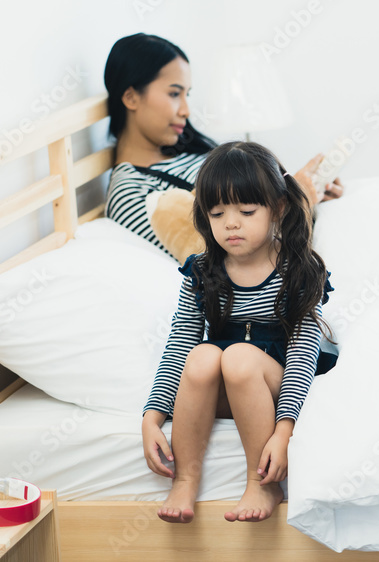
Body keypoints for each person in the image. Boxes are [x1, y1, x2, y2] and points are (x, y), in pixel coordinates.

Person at [142, 141, 336, 523]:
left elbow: (301, 354)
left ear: (277, 208)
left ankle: (262, 483)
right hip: (226, 385)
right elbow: (179, 345)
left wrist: (284, 431)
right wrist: (152, 416)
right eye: (217, 213)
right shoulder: (201, 271)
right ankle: (184, 479)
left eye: (246, 211)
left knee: (239, 357)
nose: (231, 223)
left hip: (272, 379)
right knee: (202, 355)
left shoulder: (297, 268)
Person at [103, 33, 343, 257]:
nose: (186, 111)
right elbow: (217, 258)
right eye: (174, 94)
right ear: (131, 97)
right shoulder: (130, 192)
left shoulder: (190, 149)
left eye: (187, 95)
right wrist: (297, 203)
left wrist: (308, 191)